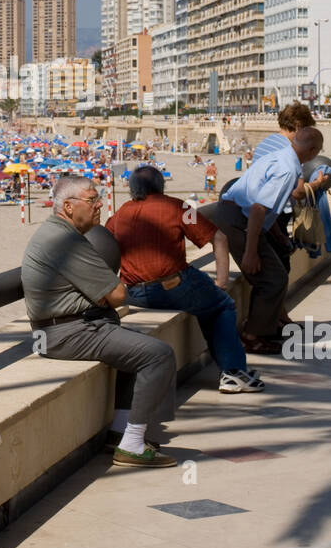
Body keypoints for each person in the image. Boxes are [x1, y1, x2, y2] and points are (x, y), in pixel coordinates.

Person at [21, 173, 177, 468]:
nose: (99, 205)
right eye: (92, 200)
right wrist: (103, 297)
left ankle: (120, 433)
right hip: (70, 332)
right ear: (68, 206)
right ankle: (131, 445)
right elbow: (117, 294)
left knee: (137, 352)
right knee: (159, 355)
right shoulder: (64, 240)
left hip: (64, 328)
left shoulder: (57, 234)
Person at [106, 165, 264, 395]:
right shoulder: (177, 207)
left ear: (132, 189)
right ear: (161, 185)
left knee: (207, 302)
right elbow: (219, 238)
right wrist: (221, 283)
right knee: (221, 305)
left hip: (134, 293)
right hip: (174, 287)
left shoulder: (119, 214)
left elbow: (104, 249)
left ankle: (231, 370)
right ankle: (233, 372)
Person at [199, 127, 325, 353]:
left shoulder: (278, 156)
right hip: (239, 220)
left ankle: (264, 327)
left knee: (273, 273)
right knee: (272, 279)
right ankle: (252, 335)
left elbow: (267, 208)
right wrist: (251, 251)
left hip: (233, 213)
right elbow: (258, 208)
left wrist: (275, 234)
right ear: (313, 151)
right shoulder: (288, 170)